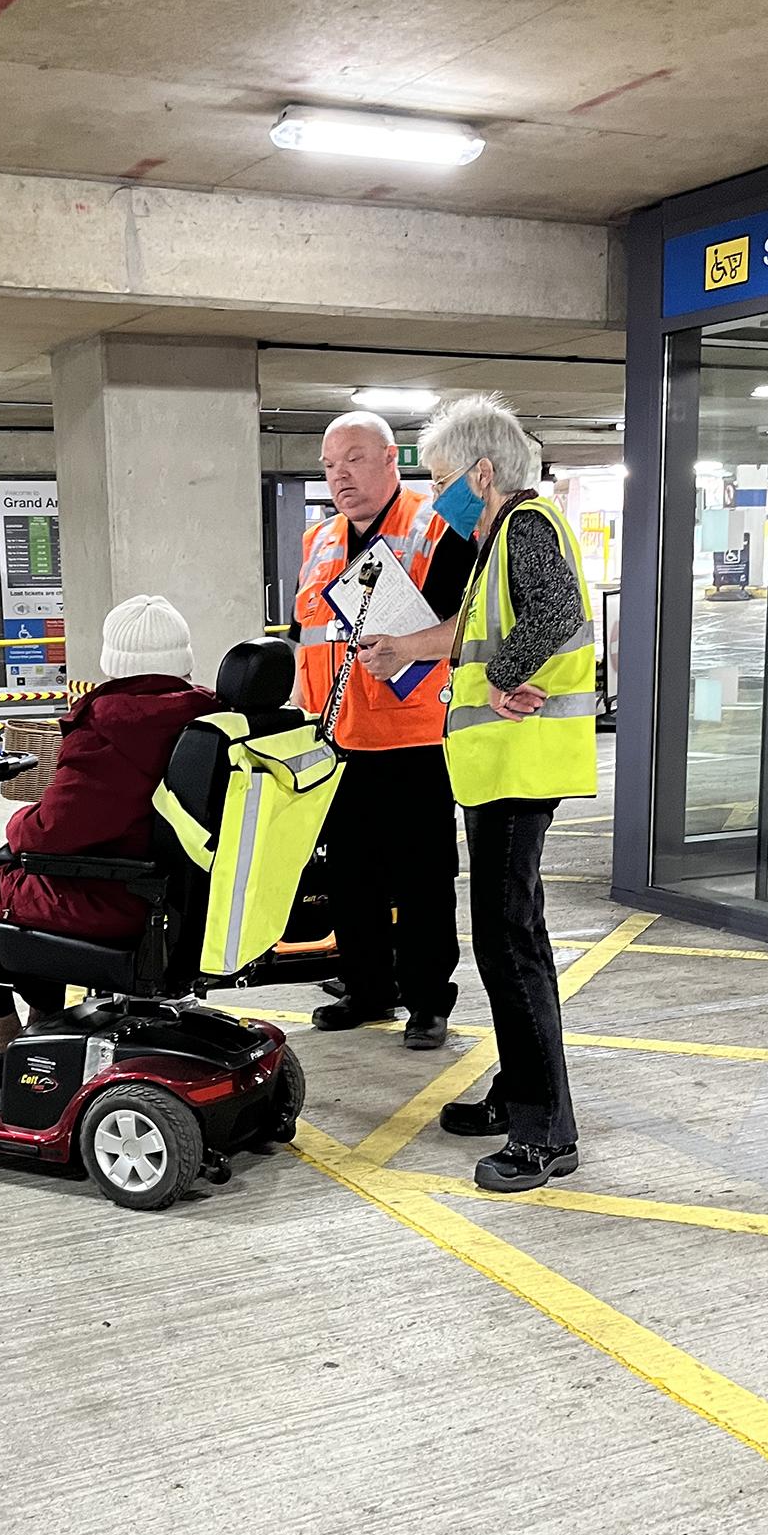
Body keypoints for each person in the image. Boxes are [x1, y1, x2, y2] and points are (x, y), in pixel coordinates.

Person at [360, 394, 597, 1193]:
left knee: (508, 944)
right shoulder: (502, 538)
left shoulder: (524, 524)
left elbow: (556, 611)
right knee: (508, 940)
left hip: (518, 767)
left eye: (440, 480)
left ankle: (543, 1133)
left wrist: (503, 676)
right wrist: (405, 647)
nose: (434, 497)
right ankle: (517, 1090)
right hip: (500, 769)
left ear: (482, 472)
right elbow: (472, 631)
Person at [0, 594, 217, 1089]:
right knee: (15, 876)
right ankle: (43, 1027)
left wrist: (18, 825)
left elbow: (53, 834)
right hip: (181, 895)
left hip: (118, 899)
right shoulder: (207, 716)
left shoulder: (114, 730)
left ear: (113, 659)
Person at [292, 411, 476, 1050]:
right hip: (337, 738)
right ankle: (367, 989)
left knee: (423, 879)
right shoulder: (319, 540)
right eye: (329, 465)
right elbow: (309, 637)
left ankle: (427, 1000)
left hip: (414, 738)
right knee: (350, 876)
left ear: (392, 459)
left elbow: (465, 628)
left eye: (354, 459)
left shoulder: (436, 527)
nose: (340, 475)